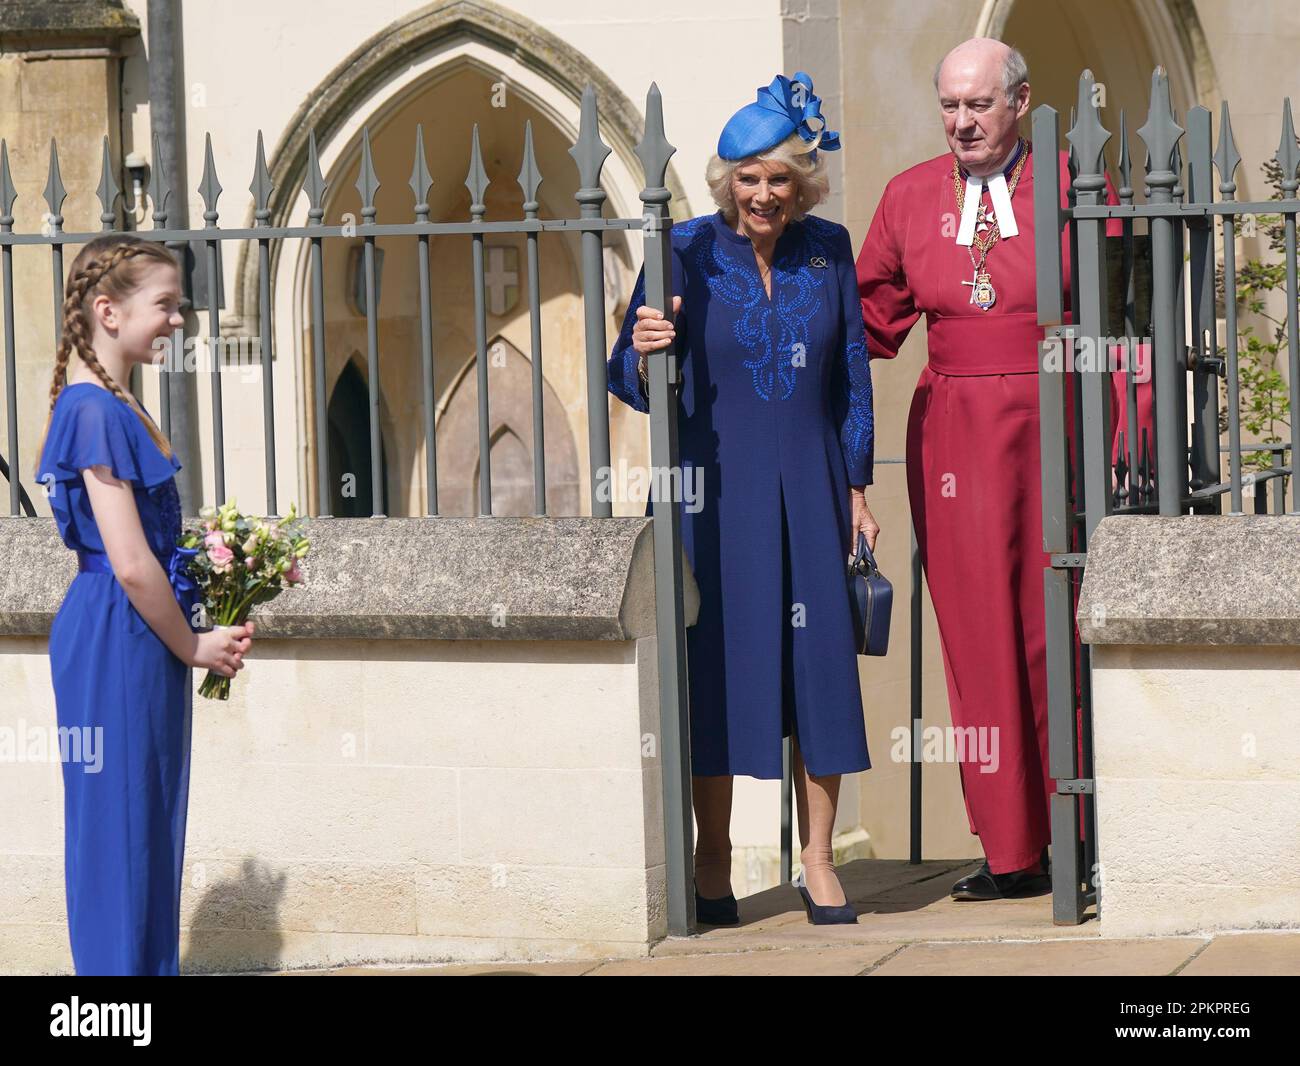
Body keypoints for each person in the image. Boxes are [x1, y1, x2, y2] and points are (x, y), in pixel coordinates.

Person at [856, 39, 1137, 900]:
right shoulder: (909, 196)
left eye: (978, 105)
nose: (961, 122)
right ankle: (1013, 852)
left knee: (1061, 624)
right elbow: (863, 318)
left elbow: (1126, 309)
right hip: (954, 435)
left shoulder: (1074, 181)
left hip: (1057, 423)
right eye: (949, 105)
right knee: (978, 641)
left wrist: (1127, 430)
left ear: (1019, 102)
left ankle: (1082, 835)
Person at [608, 72, 877, 926]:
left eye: (780, 178)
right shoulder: (681, 247)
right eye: (749, 179)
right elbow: (627, 378)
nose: (764, 194)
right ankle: (713, 857)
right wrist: (648, 343)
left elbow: (853, 382)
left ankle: (820, 859)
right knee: (716, 670)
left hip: (812, 480)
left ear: (803, 181)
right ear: (728, 182)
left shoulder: (829, 249)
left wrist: (860, 487)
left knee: (819, 668)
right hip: (710, 494)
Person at [34, 234, 255, 974]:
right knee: (119, 827)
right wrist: (194, 644)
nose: (178, 321)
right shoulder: (94, 410)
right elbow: (130, 563)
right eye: (165, 304)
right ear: (108, 310)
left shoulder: (114, 404)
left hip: (134, 633)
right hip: (116, 631)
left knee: (145, 823)